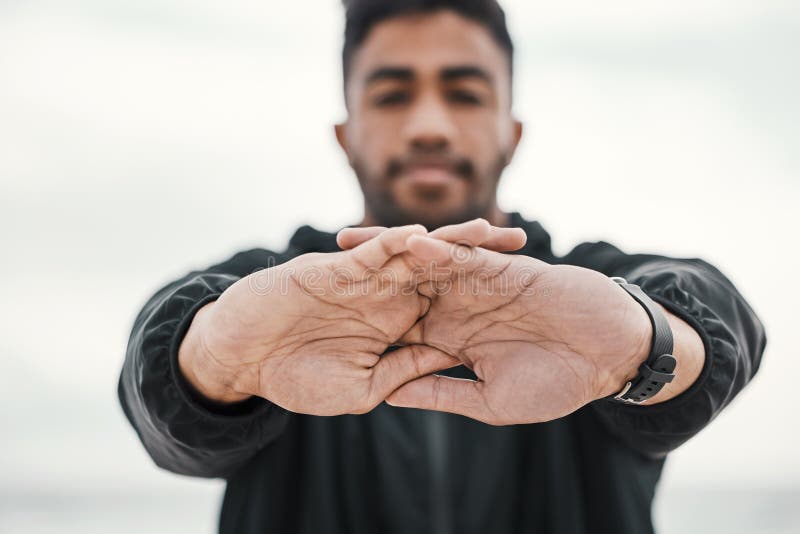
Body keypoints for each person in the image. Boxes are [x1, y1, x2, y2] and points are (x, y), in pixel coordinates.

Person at [118, 1, 767, 533]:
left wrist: (640, 345)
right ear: (346, 136)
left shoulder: (590, 288)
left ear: (511, 132)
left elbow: (720, 318)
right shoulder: (274, 301)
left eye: (464, 93)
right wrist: (215, 362)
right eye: (393, 95)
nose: (429, 126)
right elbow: (158, 380)